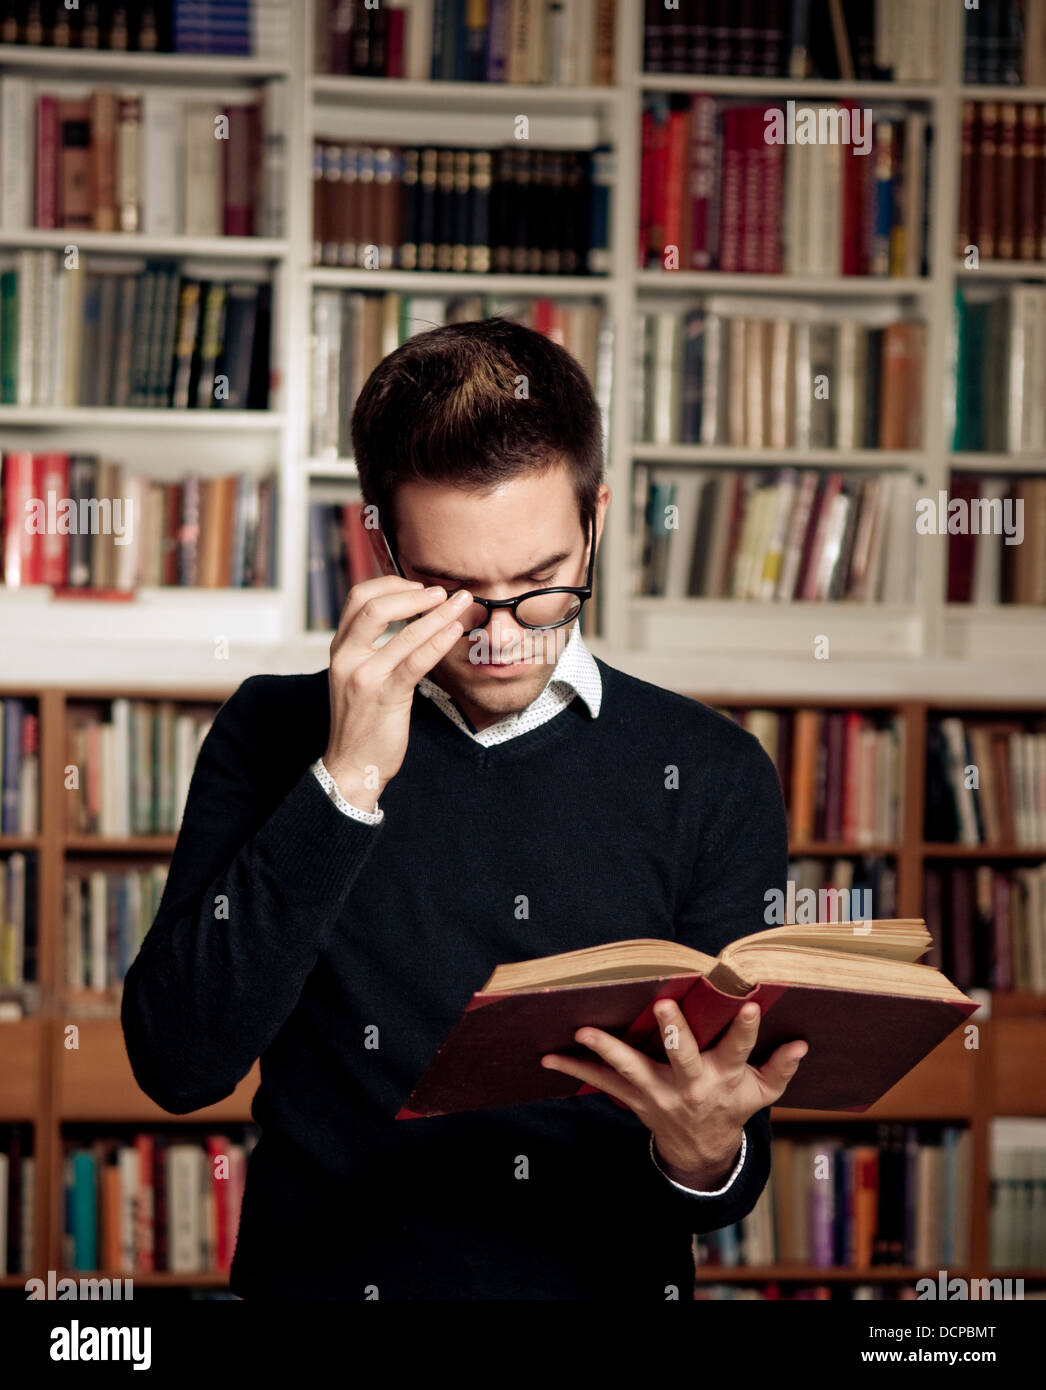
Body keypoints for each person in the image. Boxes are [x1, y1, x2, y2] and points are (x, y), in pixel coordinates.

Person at [121, 317, 807, 1300]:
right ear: (380, 541)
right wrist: (345, 778)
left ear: (598, 521)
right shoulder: (274, 731)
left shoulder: (709, 770)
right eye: (448, 590)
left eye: (539, 587)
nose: (498, 639)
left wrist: (702, 1150)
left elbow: (719, 1184)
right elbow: (178, 1063)